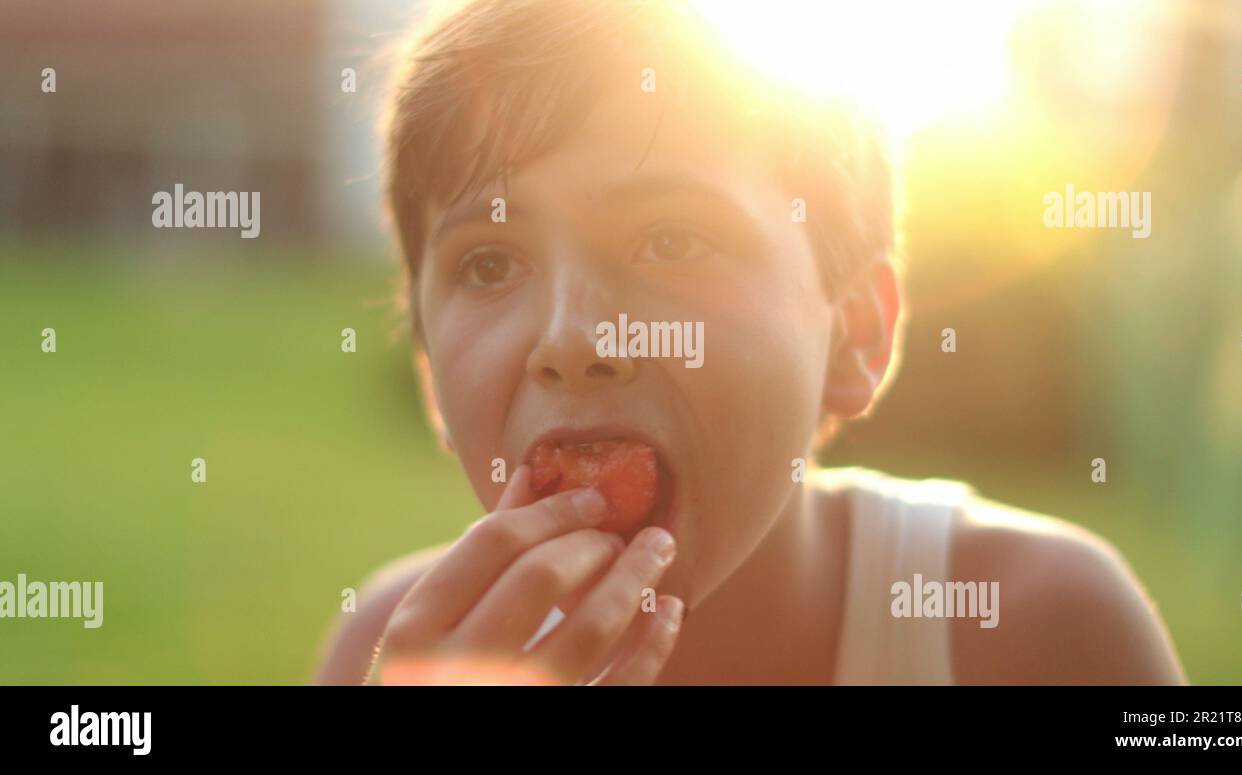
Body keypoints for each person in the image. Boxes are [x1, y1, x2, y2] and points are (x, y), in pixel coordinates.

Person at [314, 0, 1185, 685]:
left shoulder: (1039, 629)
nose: (573, 337)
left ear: (853, 333)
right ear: (429, 371)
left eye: (672, 240)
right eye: (491, 262)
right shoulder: (388, 656)